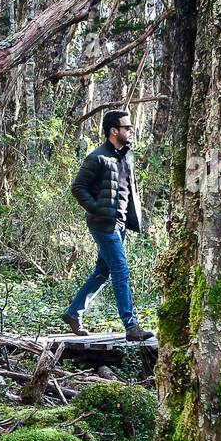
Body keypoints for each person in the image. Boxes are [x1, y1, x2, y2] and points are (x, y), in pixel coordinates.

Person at [60, 110, 154, 342]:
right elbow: (78, 187)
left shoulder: (127, 156)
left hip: (120, 223)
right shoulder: (97, 157)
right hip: (103, 225)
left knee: (103, 272)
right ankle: (131, 326)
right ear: (114, 131)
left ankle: (73, 313)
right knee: (121, 269)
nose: (131, 130)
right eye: (127, 127)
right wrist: (98, 209)